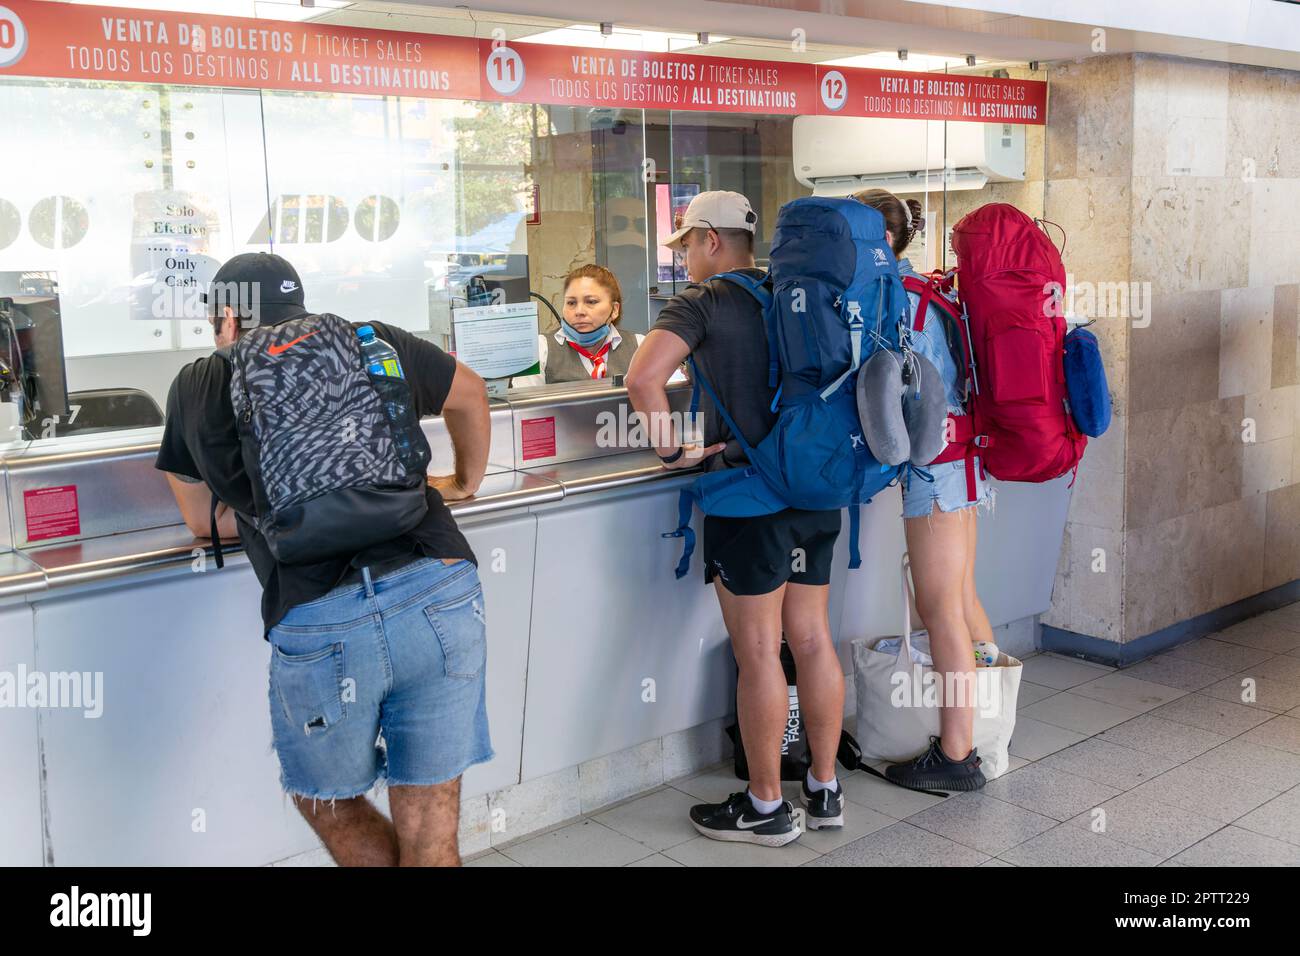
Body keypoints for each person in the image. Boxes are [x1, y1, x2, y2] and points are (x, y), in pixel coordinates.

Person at [155, 252, 494, 866]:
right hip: (438, 588)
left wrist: (276, 513)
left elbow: (202, 519)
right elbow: (469, 394)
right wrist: (464, 482)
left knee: (329, 801)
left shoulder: (198, 384)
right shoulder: (371, 340)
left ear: (228, 316)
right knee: (430, 810)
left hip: (321, 617)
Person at [626, 191, 845, 846]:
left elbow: (643, 380)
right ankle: (826, 790)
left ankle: (766, 805)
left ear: (712, 242)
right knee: (810, 641)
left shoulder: (702, 302)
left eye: (687, 246)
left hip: (749, 500)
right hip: (816, 490)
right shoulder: (792, 292)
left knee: (758, 655)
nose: (685, 259)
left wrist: (670, 449)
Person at [853, 188, 994, 791]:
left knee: (940, 612)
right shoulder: (933, 292)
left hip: (933, 474)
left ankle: (958, 756)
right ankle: (991, 725)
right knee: (961, 600)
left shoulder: (893, 302)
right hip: (966, 465)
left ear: (878, 242)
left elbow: (888, 393)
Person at [514, 265, 641, 387]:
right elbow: (523, 407)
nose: (579, 311)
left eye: (591, 302)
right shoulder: (538, 350)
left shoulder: (640, 346)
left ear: (614, 310)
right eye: (571, 303)